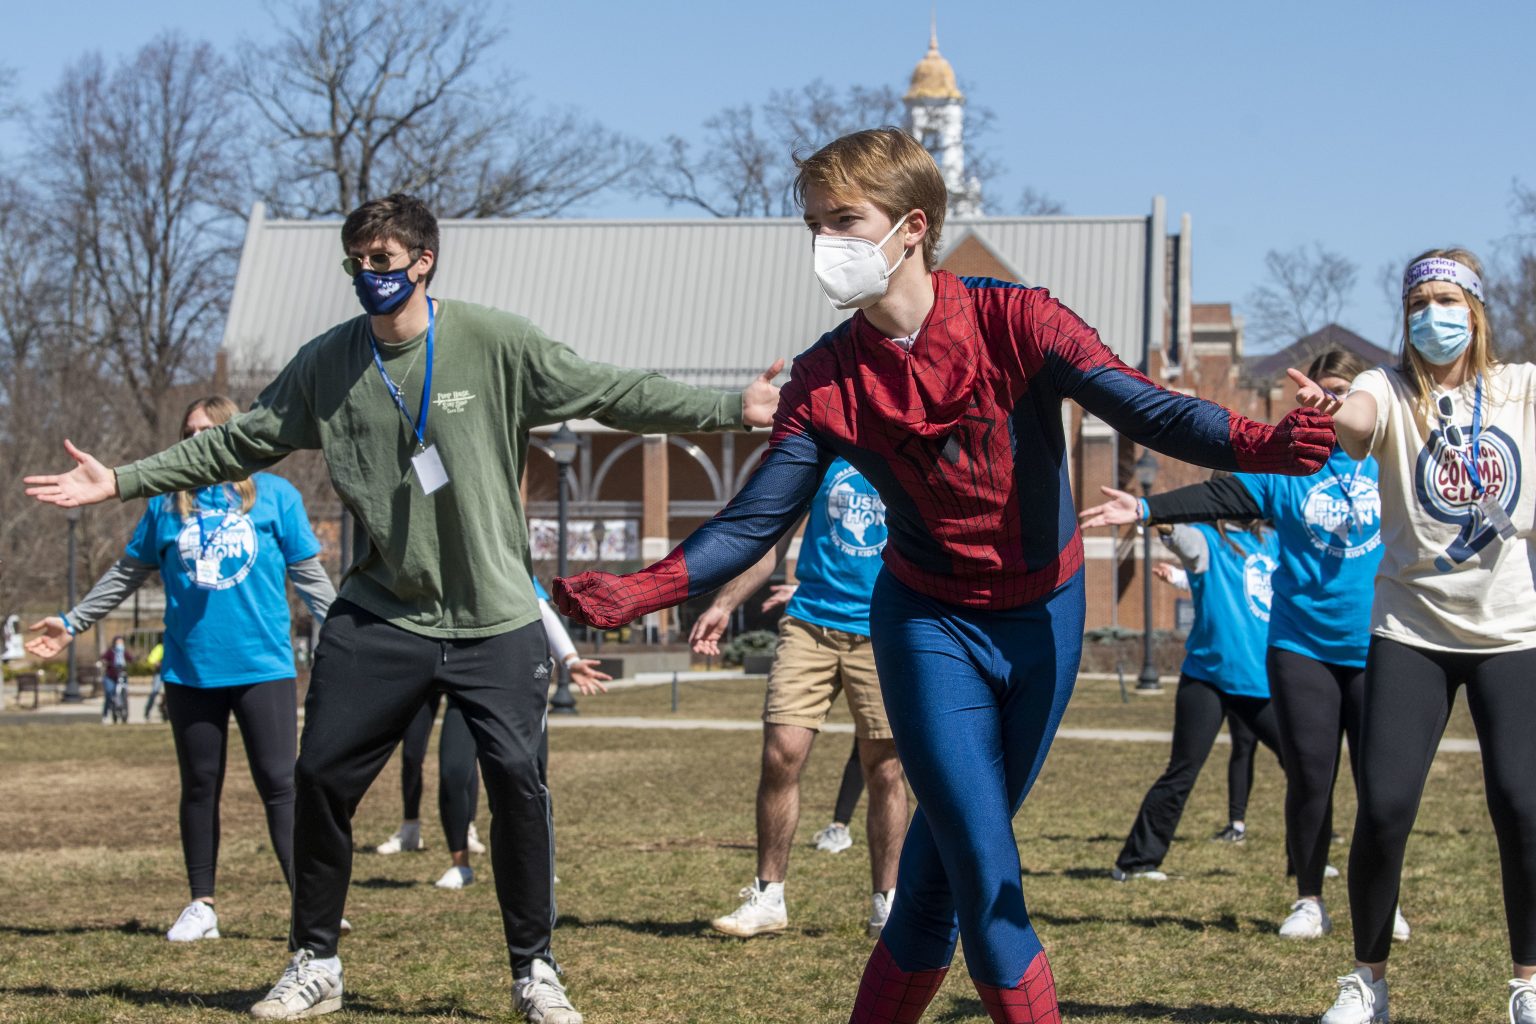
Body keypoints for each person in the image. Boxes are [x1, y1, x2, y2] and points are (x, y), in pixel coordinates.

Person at [553, 127, 1333, 1023]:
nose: (825, 246)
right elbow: (752, 522)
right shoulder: (824, 380)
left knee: (932, 885)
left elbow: (1144, 404)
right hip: (928, 623)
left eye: (845, 221)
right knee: (989, 876)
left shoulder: (1018, 319)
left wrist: (1266, 443)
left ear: (912, 226)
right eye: (813, 226)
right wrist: (643, 589)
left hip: (1047, 615)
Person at [24, 192, 782, 1024]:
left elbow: (610, 390)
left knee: (520, 791)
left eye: (381, 260)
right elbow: (238, 441)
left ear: (423, 261)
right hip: (382, 613)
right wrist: (123, 478)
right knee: (316, 778)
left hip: (495, 617)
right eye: (356, 261)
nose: (366, 275)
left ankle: (536, 970)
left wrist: (728, 412)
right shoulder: (328, 362)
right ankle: (315, 961)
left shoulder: (494, 341)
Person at [1079, 348, 1410, 942]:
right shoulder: (1293, 468)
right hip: (1301, 646)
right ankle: (1309, 899)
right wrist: (1148, 507)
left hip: (1378, 643)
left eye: (1346, 390)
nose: (1333, 402)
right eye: (1324, 390)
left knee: (1381, 785)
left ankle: (1385, 900)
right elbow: (1222, 498)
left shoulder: (1393, 460)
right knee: (1311, 778)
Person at [1290, 250, 1536, 1024]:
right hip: (1410, 629)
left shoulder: (1521, 388)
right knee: (1387, 804)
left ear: (1476, 309)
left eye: (1447, 299)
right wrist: (1335, 414)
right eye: (1420, 301)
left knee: (1524, 805)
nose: (1435, 315)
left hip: (1512, 631)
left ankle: (1529, 980)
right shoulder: (1386, 389)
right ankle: (1368, 979)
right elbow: (1358, 421)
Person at [26, 396, 336, 943]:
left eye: (208, 431)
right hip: (190, 672)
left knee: (282, 783)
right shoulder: (167, 506)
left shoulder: (277, 498)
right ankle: (202, 905)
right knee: (199, 785)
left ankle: (310, 906)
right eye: (188, 432)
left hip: (264, 667)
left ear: (234, 434)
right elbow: (124, 576)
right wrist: (72, 623)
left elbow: (311, 580)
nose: (195, 440)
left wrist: (347, 635)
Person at [689, 457, 908, 939]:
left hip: (884, 628)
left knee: (885, 768)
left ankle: (889, 905)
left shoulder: (905, 448)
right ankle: (768, 897)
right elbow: (771, 544)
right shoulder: (822, 455)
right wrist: (725, 604)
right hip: (810, 624)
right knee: (780, 755)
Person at [1110, 504, 1284, 882]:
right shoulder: (1207, 543)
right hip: (1207, 679)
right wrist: (1147, 511)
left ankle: (1309, 859)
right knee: (1182, 771)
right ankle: (1135, 863)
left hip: (1259, 683)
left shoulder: (1274, 542)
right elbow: (1175, 532)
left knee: (1305, 764)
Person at [1148, 562, 1270, 847]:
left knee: (1294, 757)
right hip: (1213, 675)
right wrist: (1178, 576)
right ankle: (1236, 823)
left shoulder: (1269, 547)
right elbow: (1211, 580)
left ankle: (1315, 835)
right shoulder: (1225, 551)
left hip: (1252, 674)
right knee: (1204, 757)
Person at [100, 634, 133, 724]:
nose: (120, 644)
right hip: (111, 676)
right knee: (109, 693)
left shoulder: (124, 652)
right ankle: (105, 714)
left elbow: (130, 659)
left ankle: (123, 711)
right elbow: (103, 658)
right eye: (118, 642)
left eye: (121, 642)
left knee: (124, 693)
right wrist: (105, 662)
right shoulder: (110, 652)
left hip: (122, 676)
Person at [144, 640, 166, 722]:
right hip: (159, 673)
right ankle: (148, 710)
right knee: (155, 691)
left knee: (167, 693)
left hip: (170, 674)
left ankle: (165, 711)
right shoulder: (160, 648)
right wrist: (157, 663)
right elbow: (151, 659)